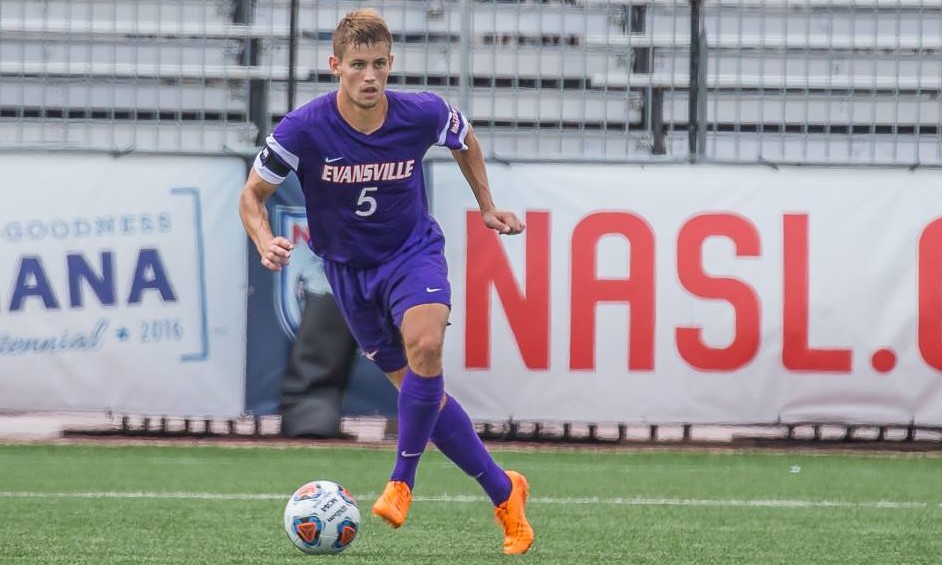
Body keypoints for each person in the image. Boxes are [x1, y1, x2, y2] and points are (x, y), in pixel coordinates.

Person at [238, 8, 534, 555]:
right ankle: (503, 489)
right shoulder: (303, 128)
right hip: (350, 273)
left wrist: (487, 206)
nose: (370, 76)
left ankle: (402, 481)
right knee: (424, 393)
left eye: (379, 64)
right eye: (358, 65)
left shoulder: (419, 113)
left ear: (391, 63)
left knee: (426, 345)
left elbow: (463, 137)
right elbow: (252, 195)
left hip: (412, 254)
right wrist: (263, 240)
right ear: (335, 66)